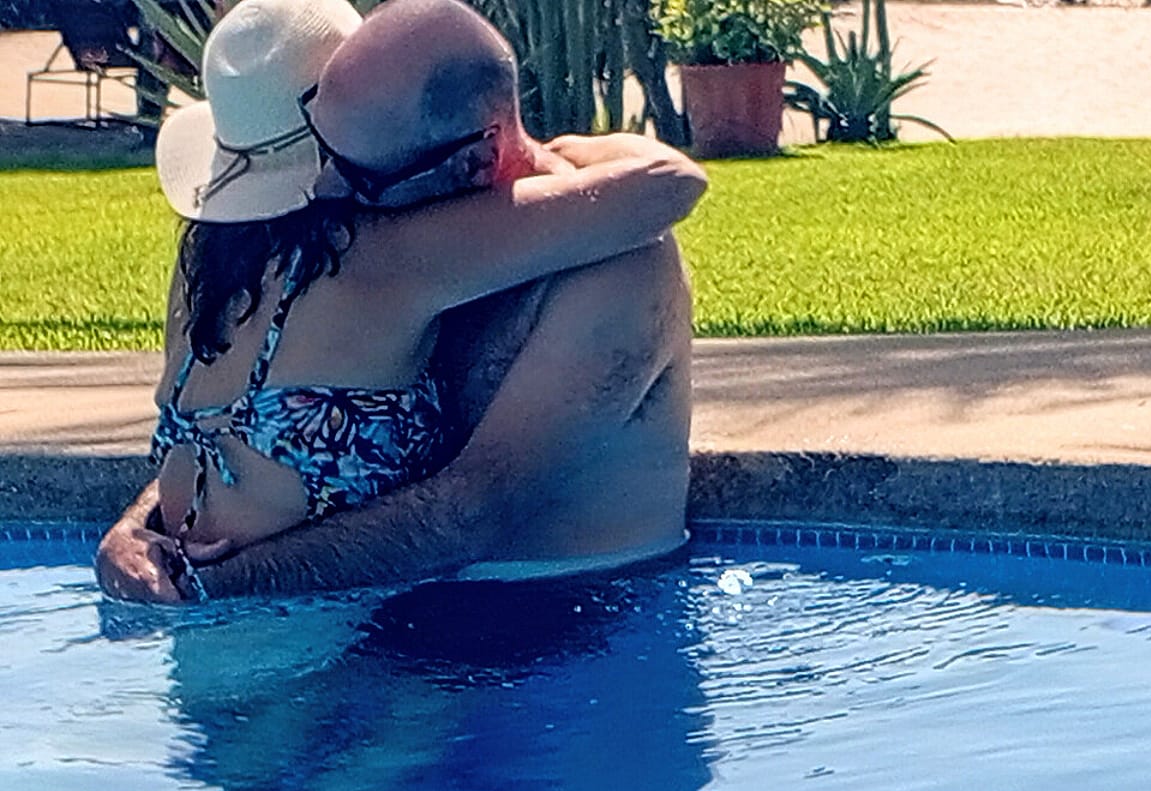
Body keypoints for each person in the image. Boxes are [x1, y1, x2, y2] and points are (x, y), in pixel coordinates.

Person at [96, 0, 704, 602]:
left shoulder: (617, 268)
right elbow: (239, 431)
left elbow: (478, 511)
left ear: (474, 161)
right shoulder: (373, 253)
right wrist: (135, 528)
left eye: (353, 176)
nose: (323, 190)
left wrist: (207, 585)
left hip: (578, 627)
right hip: (401, 611)